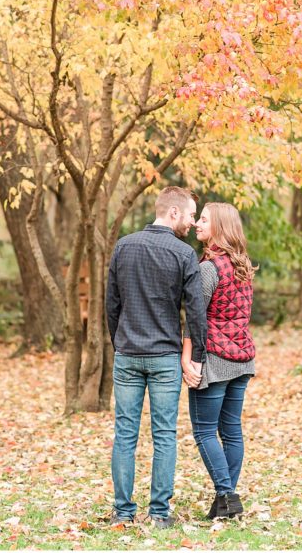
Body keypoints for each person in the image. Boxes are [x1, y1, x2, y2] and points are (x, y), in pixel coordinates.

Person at [105, 186, 207, 528]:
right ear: (173, 213)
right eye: (191, 215)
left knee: (125, 434)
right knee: (164, 435)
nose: (193, 223)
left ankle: (123, 512)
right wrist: (198, 356)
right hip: (164, 356)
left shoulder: (124, 246)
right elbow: (195, 312)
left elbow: (112, 305)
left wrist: (119, 341)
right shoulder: (183, 254)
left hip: (128, 353)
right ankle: (160, 515)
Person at [182, 202, 257, 520]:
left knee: (203, 431)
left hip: (214, 358)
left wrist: (188, 358)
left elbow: (196, 319)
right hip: (242, 359)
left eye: (203, 220)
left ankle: (227, 494)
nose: (197, 224)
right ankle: (224, 503)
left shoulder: (208, 269)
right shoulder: (243, 266)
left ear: (221, 228)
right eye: (197, 219)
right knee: (231, 431)